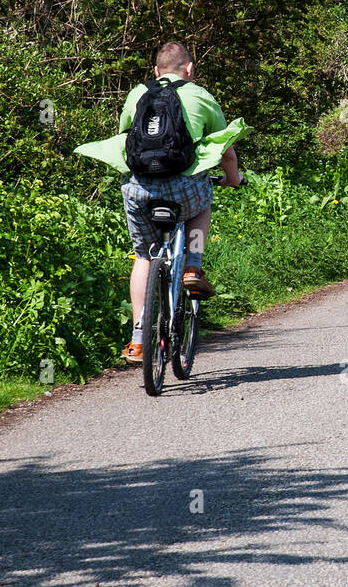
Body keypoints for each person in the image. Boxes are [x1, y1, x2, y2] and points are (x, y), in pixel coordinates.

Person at [75, 40, 247, 364]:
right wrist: (233, 179)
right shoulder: (200, 96)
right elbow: (225, 149)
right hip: (184, 189)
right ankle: (192, 267)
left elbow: (127, 137)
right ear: (189, 69)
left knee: (144, 255)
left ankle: (138, 339)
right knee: (202, 204)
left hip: (139, 192)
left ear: (155, 71)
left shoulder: (138, 93)